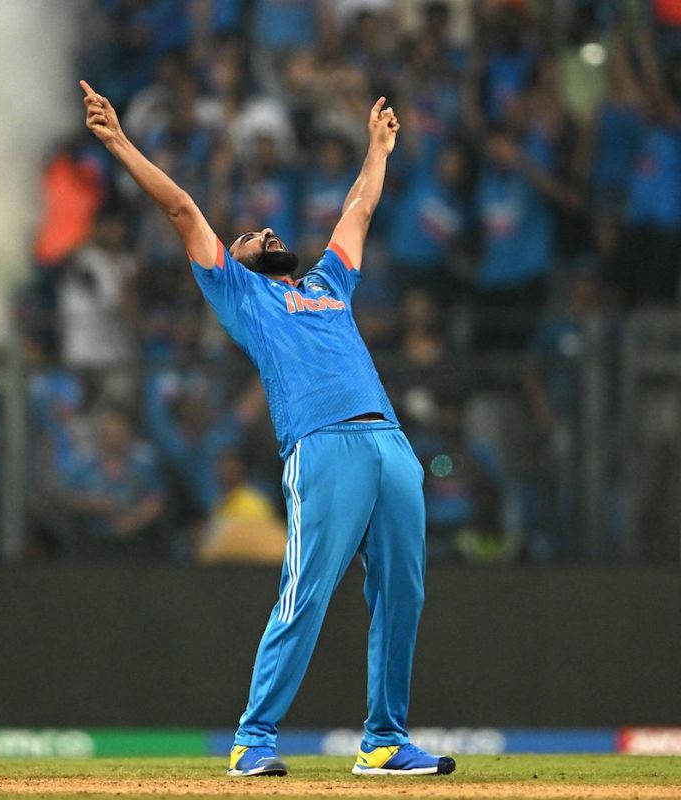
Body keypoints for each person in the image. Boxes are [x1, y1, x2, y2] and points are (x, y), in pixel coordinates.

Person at [81, 80, 454, 777]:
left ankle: (383, 741)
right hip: (322, 447)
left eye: (267, 231)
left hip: (389, 442)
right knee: (305, 590)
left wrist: (378, 148)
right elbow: (182, 207)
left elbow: (360, 209)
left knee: (404, 592)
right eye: (250, 235)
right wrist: (120, 142)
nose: (263, 233)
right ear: (239, 259)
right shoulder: (240, 294)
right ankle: (253, 739)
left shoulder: (326, 283)